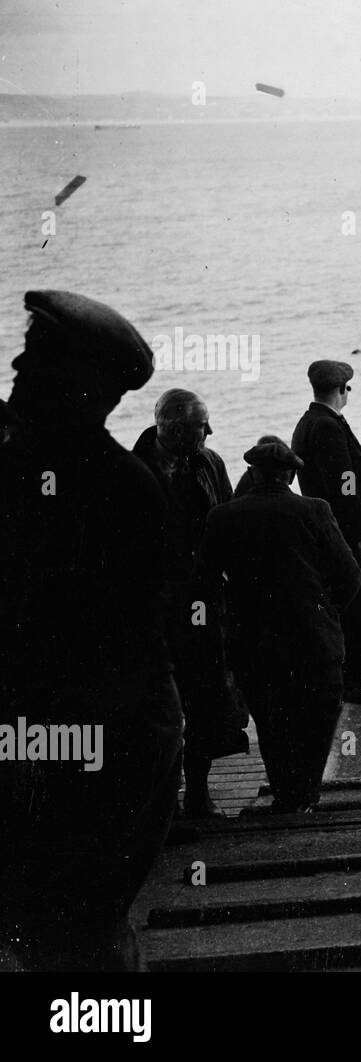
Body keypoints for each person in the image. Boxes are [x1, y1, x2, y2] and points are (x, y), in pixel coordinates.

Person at [0, 290, 182, 970]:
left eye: (35, 365)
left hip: (96, 739)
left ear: (84, 387)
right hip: (72, 735)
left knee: (74, 926)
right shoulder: (105, 480)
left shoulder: (115, 489)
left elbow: (107, 649)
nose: (17, 370)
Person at [195, 440, 361, 812]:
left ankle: (287, 795)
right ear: (290, 474)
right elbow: (350, 577)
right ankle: (305, 795)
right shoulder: (315, 510)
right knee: (315, 718)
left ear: (252, 473)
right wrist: (324, 608)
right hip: (313, 638)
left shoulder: (223, 517)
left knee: (272, 723)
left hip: (254, 641)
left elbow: (204, 580)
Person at [132, 388, 246, 819]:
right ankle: (165, 804)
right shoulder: (133, 472)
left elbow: (229, 521)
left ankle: (197, 792)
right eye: (202, 425)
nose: (211, 432)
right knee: (161, 708)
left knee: (207, 697)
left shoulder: (210, 463)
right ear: (176, 429)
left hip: (206, 603)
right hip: (157, 611)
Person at [292, 360, 361, 705]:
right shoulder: (328, 426)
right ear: (342, 390)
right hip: (342, 533)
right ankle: (350, 682)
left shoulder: (308, 423)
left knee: (343, 606)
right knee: (358, 606)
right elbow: (344, 485)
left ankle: (347, 674)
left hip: (326, 531)